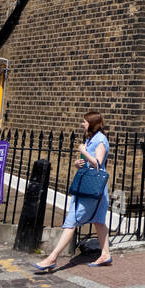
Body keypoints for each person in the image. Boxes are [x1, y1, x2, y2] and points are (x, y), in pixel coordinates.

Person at [33, 111, 113, 271]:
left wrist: (83, 151)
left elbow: (98, 164)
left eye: (84, 121)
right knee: (98, 221)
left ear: (92, 123)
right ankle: (105, 254)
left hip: (92, 190)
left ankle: (52, 258)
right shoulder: (91, 139)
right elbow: (90, 163)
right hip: (89, 188)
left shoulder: (100, 141)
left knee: (72, 221)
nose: (82, 124)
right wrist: (79, 163)